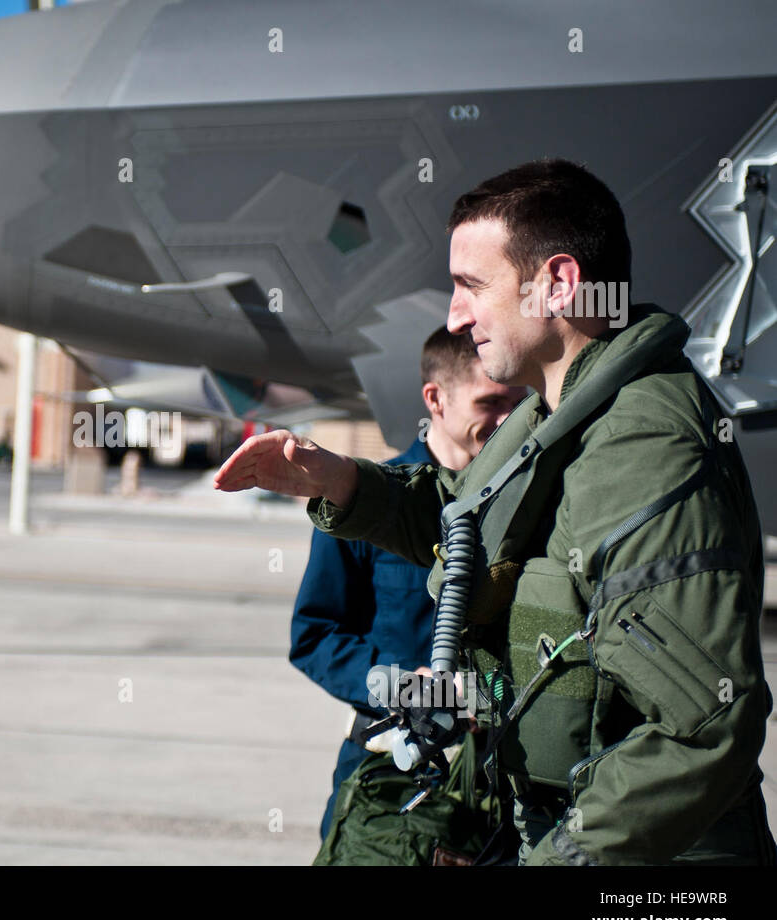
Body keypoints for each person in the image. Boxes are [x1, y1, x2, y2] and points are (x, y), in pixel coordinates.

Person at [216, 158, 776, 865]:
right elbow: (469, 525)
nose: (454, 316)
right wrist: (343, 483)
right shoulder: (560, 415)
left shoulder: (643, 444)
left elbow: (705, 728)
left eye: (472, 286)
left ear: (559, 284)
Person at [291, 328, 523, 840]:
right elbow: (314, 636)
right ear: (435, 399)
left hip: (501, 784)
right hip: (393, 780)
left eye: (518, 403)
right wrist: (400, 685)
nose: (507, 420)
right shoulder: (366, 502)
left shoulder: (528, 505)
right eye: (489, 403)